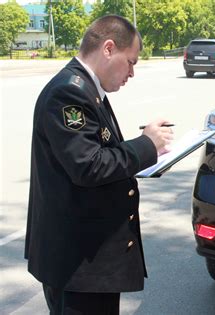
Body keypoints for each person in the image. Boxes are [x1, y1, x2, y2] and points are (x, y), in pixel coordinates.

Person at [24, 15, 173, 314]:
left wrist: (144, 148)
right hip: (79, 263)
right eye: (130, 62)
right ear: (108, 48)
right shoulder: (69, 92)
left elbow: (97, 150)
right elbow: (88, 166)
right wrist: (146, 145)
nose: (131, 73)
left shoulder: (86, 88)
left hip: (86, 260)